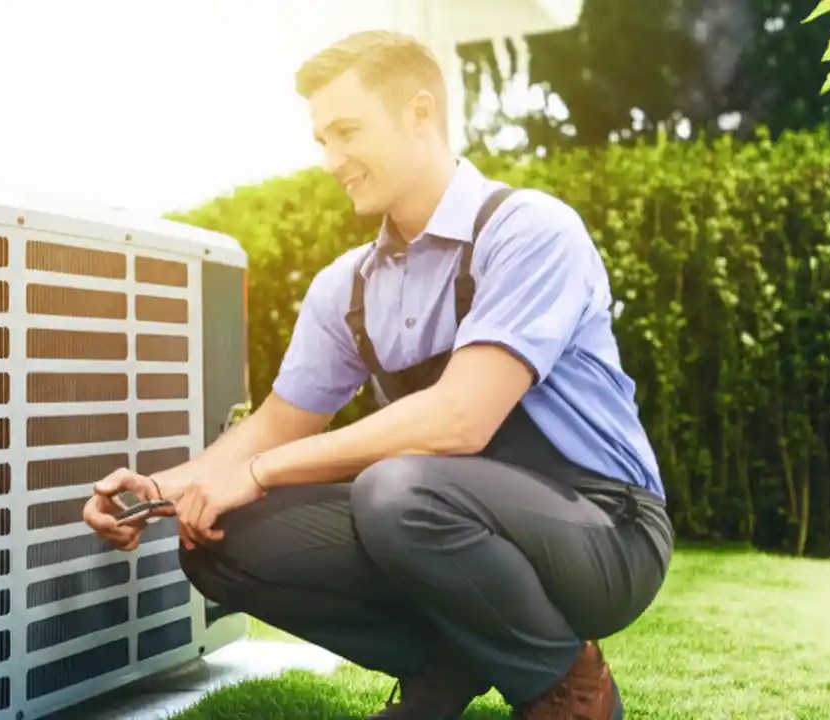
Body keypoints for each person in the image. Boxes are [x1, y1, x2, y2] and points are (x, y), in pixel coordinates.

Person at [82, 29, 673, 720]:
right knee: (220, 545)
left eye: (347, 132)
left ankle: (564, 685)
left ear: (419, 115)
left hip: (603, 532)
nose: (332, 160)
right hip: (443, 513)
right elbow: (278, 423)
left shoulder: (530, 231)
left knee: (399, 489)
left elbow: (459, 419)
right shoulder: (348, 287)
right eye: (321, 141)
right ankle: (443, 669)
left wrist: (264, 472)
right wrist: (160, 489)